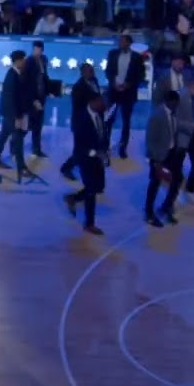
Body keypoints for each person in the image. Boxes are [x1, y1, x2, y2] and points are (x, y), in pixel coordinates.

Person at [63, 94, 107, 236]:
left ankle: (73, 198)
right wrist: (95, 152)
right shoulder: (81, 118)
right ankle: (89, 224)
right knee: (92, 190)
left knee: (99, 186)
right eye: (100, 102)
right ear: (92, 102)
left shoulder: (99, 114)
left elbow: (101, 134)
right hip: (85, 158)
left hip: (97, 157)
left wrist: (103, 151)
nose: (103, 104)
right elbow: (80, 145)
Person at [144, 90, 182, 227]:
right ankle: (149, 213)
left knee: (177, 179)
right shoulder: (157, 116)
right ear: (168, 102)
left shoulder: (173, 112)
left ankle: (167, 206)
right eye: (174, 103)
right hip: (158, 156)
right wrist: (156, 161)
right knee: (155, 182)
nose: (176, 106)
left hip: (171, 153)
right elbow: (150, 141)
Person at [0, 50, 31, 179]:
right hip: (12, 115)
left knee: (4, 135)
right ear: (17, 61)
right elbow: (11, 99)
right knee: (18, 140)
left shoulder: (17, 73)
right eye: (23, 60)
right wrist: (17, 117)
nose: (24, 62)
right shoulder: (12, 76)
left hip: (11, 114)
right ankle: (22, 168)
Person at [104, 34, 146, 158]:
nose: (120, 43)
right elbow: (108, 71)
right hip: (114, 91)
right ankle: (105, 145)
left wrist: (129, 84)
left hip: (128, 93)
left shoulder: (137, 57)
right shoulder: (112, 54)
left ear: (129, 43)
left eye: (123, 41)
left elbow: (141, 75)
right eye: (119, 41)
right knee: (109, 120)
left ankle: (123, 148)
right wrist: (113, 83)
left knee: (126, 121)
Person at [59, 62, 102, 181]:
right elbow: (78, 108)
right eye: (89, 71)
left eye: (92, 70)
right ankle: (66, 168)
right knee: (80, 150)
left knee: (88, 147)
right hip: (81, 123)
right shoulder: (78, 87)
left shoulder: (94, 81)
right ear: (82, 73)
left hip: (93, 121)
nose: (92, 73)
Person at [171, 78, 194, 204]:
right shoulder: (180, 98)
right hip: (181, 137)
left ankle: (190, 189)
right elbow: (176, 122)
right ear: (190, 87)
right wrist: (193, 125)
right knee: (177, 167)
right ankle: (173, 192)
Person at [21, 40, 50, 158]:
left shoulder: (44, 60)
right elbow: (26, 83)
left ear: (42, 50)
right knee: (28, 125)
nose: (37, 52)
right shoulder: (28, 62)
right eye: (35, 50)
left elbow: (45, 77)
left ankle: (36, 149)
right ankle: (14, 146)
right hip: (31, 99)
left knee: (38, 125)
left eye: (39, 50)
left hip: (41, 97)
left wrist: (50, 90)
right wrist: (33, 100)